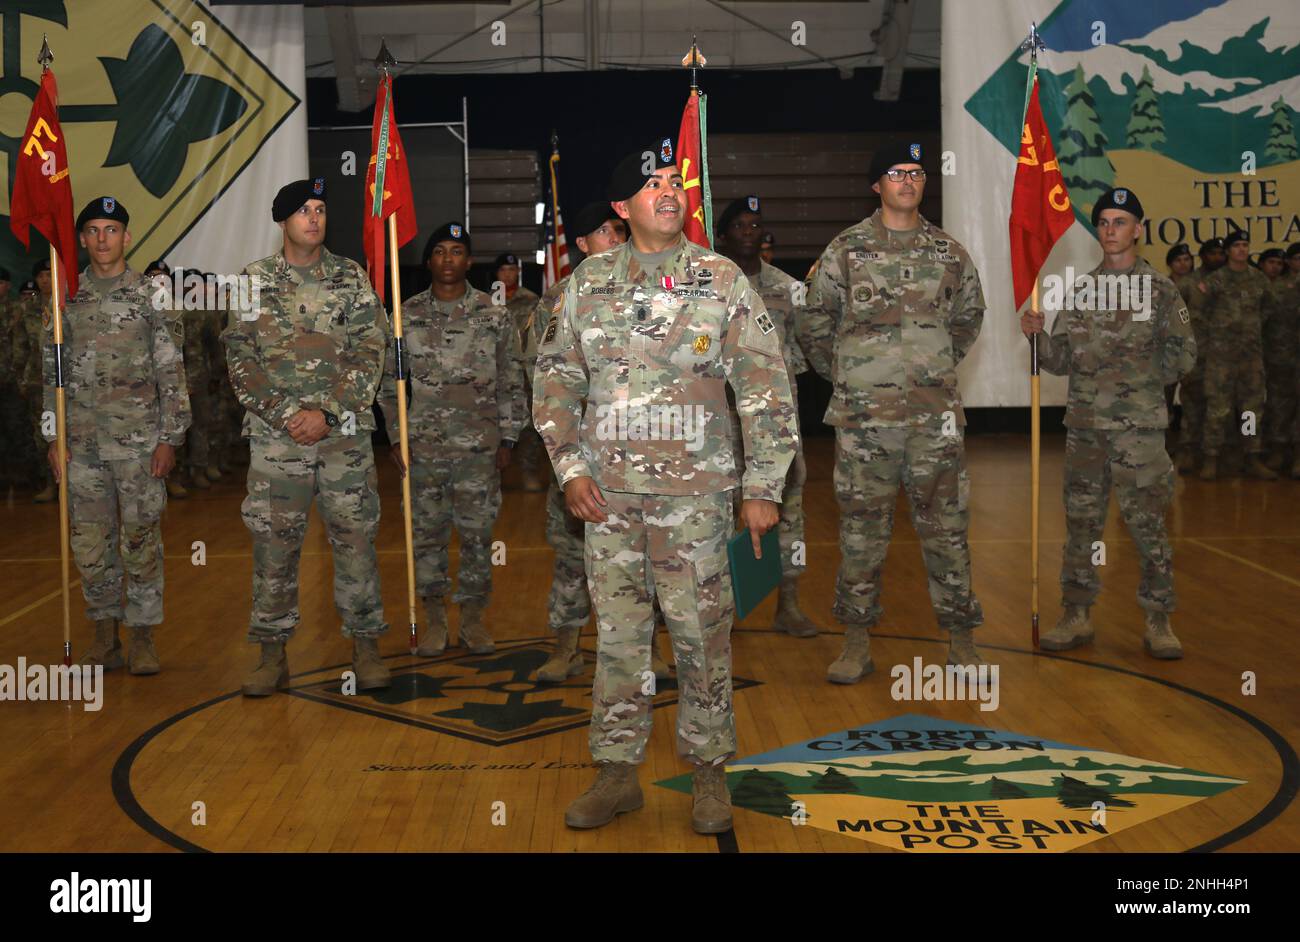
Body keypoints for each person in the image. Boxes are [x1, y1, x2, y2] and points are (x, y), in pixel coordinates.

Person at [534, 139, 796, 833]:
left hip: (697, 499)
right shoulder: (587, 285)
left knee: (701, 636)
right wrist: (571, 467)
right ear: (622, 208)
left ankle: (709, 776)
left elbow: (766, 387)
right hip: (609, 498)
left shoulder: (720, 280)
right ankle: (616, 774)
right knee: (619, 638)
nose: (670, 190)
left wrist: (764, 483)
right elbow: (556, 379)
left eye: (675, 179)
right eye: (652, 183)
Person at [797, 141, 986, 684]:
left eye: (917, 172)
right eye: (896, 172)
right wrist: (855, 378)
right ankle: (856, 642)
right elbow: (814, 323)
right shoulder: (846, 251)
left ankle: (961, 640)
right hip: (864, 423)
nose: (908, 180)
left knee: (947, 530)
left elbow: (968, 319)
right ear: (875, 184)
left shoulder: (949, 253)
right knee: (862, 532)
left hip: (936, 420)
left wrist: (930, 368)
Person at [224, 178, 391, 696]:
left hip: (342, 438)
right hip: (278, 442)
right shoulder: (253, 281)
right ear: (282, 220)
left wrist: (330, 410)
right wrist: (288, 413)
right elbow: (240, 360)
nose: (314, 218)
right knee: (275, 547)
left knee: (356, 542)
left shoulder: (350, 277)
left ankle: (366, 647)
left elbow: (372, 349)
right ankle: (272, 655)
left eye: (320, 209)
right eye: (303, 210)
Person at [1021, 187, 1195, 658]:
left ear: (1138, 229)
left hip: (1138, 433)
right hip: (1085, 431)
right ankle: (1075, 614)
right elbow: (1058, 359)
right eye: (1104, 222)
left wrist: (1134, 387)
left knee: (1147, 526)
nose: (1111, 230)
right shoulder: (1081, 290)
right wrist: (1037, 338)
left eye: (1121, 221)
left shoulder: (1160, 289)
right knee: (1081, 526)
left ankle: (1159, 621)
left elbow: (1184, 355)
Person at [43, 197, 192, 673]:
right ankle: (104, 637)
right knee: (89, 544)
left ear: (127, 237)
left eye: (112, 229)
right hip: (82, 447)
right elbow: (52, 377)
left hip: (139, 446)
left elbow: (172, 372)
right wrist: (52, 437)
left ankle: (143, 637)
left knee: (140, 540)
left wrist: (170, 438)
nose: (103, 238)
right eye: (93, 230)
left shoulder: (151, 297)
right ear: (82, 239)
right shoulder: (66, 298)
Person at [378, 223, 526, 656]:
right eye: (439, 251)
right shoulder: (404, 318)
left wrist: (509, 438)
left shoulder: (492, 315)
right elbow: (389, 384)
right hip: (421, 449)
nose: (448, 259)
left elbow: (512, 380)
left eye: (457, 251)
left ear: (469, 261)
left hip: (478, 449)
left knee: (478, 537)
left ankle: (474, 619)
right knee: (426, 536)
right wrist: (393, 438)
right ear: (428, 261)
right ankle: (435, 619)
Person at [527, 202, 643, 682]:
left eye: (619, 229)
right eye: (601, 231)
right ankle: (566, 647)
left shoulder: (650, 289)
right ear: (580, 244)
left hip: (640, 450)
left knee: (646, 553)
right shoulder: (558, 300)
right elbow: (543, 380)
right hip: (579, 455)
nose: (614, 239)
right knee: (573, 552)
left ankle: (646, 648)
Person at [715, 194, 818, 637]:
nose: (749, 232)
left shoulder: (787, 287)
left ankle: (788, 605)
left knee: (789, 513)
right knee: (717, 517)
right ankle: (722, 608)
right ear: (722, 235)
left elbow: (810, 346)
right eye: (739, 226)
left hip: (776, 426)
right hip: (719, 424)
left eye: (755, 225)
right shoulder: (708, 285)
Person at [1198, 230, 1275, 480]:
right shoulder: (1215, 280)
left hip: (1250, 358)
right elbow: (1200, 313)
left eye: (1245, 245)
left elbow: (1267, 310)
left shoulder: (1259, 280)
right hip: (1221, 359)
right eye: (1237, 245)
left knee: (1251, 410)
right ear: (1228, 251)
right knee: (1218, 409)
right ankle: (1211, 458)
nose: (1242, 249)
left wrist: (1248, 331)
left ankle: (1251, 455)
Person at [496, 252, 545, 491]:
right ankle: (496, 475)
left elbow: (539, 336)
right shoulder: (487, 302)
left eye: (512, 270)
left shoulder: (531, 300)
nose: (508, 274)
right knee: (495, 422)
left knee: (529, 426)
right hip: (496, 372)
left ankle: (528, 472)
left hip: (525, 370)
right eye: (503, 270)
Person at [16, 260, 57, 502]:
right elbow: (20, 346)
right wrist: (21, 377)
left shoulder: (67, 304)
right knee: (44, 433)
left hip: (66, 382)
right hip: (37, 381)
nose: (44, 279)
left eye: (48, 274)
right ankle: (50, 483)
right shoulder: (28, 308)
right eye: (40, 275)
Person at [1169, 243, 1208, 474]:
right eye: (1178, 260)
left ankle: (1190, 450)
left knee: (1194, 402)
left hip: (1193, 353)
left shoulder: (1198, 286)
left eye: (1187, 259)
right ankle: (1163, 449)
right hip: (1164, 353)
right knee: (1162, 406)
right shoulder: (1161, 285)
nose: (1184, 264)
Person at [1260, 247, 1297, 474]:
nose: (1276, 267)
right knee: (1276, 405)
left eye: (1279, 263)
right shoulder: (1275, 288)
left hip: (1295, 355)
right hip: (1275, 357)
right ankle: (1275, 449)